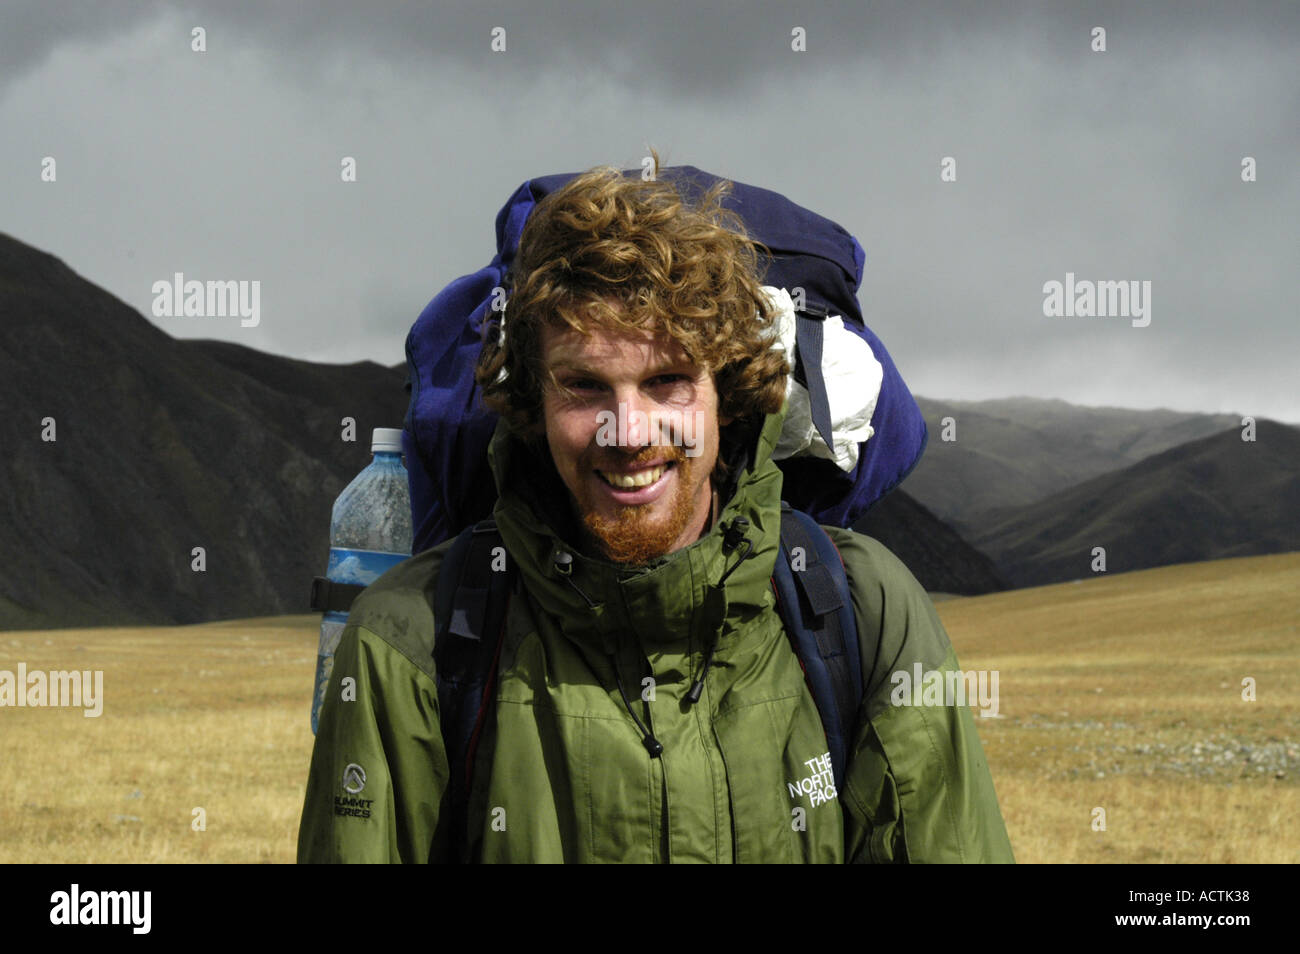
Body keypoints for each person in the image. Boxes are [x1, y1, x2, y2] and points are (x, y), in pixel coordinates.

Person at [297, 156, 1015, 863]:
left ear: (728, 392)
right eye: (583, 387)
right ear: (531, 404)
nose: (629, 432)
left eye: (667, 381)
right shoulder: (409, 645)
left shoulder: (859, 613)